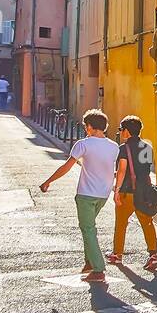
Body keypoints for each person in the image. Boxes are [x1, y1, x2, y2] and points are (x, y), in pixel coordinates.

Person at [39, 109, 118, 284]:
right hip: (103, 195)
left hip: (86, 194)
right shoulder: (114, 147)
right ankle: (89, 262)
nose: (85, 129)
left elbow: (67, 167)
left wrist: (48, 181)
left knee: (88, 229)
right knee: (89, 227)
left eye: (85, 126)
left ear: (89, 126)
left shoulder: (83, 144)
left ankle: (98, 269)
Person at [109, 115, 157, 273]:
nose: (121, 132)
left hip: (128, 192)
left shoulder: (124, 149)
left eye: (121, 129)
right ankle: (153, 255)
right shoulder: (147, 147)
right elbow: (146, 170)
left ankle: (117, 254)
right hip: (144, 192)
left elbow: (122, 170)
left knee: (121, 224)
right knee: (147, 223)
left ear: (126, 131)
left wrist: (116, 190)